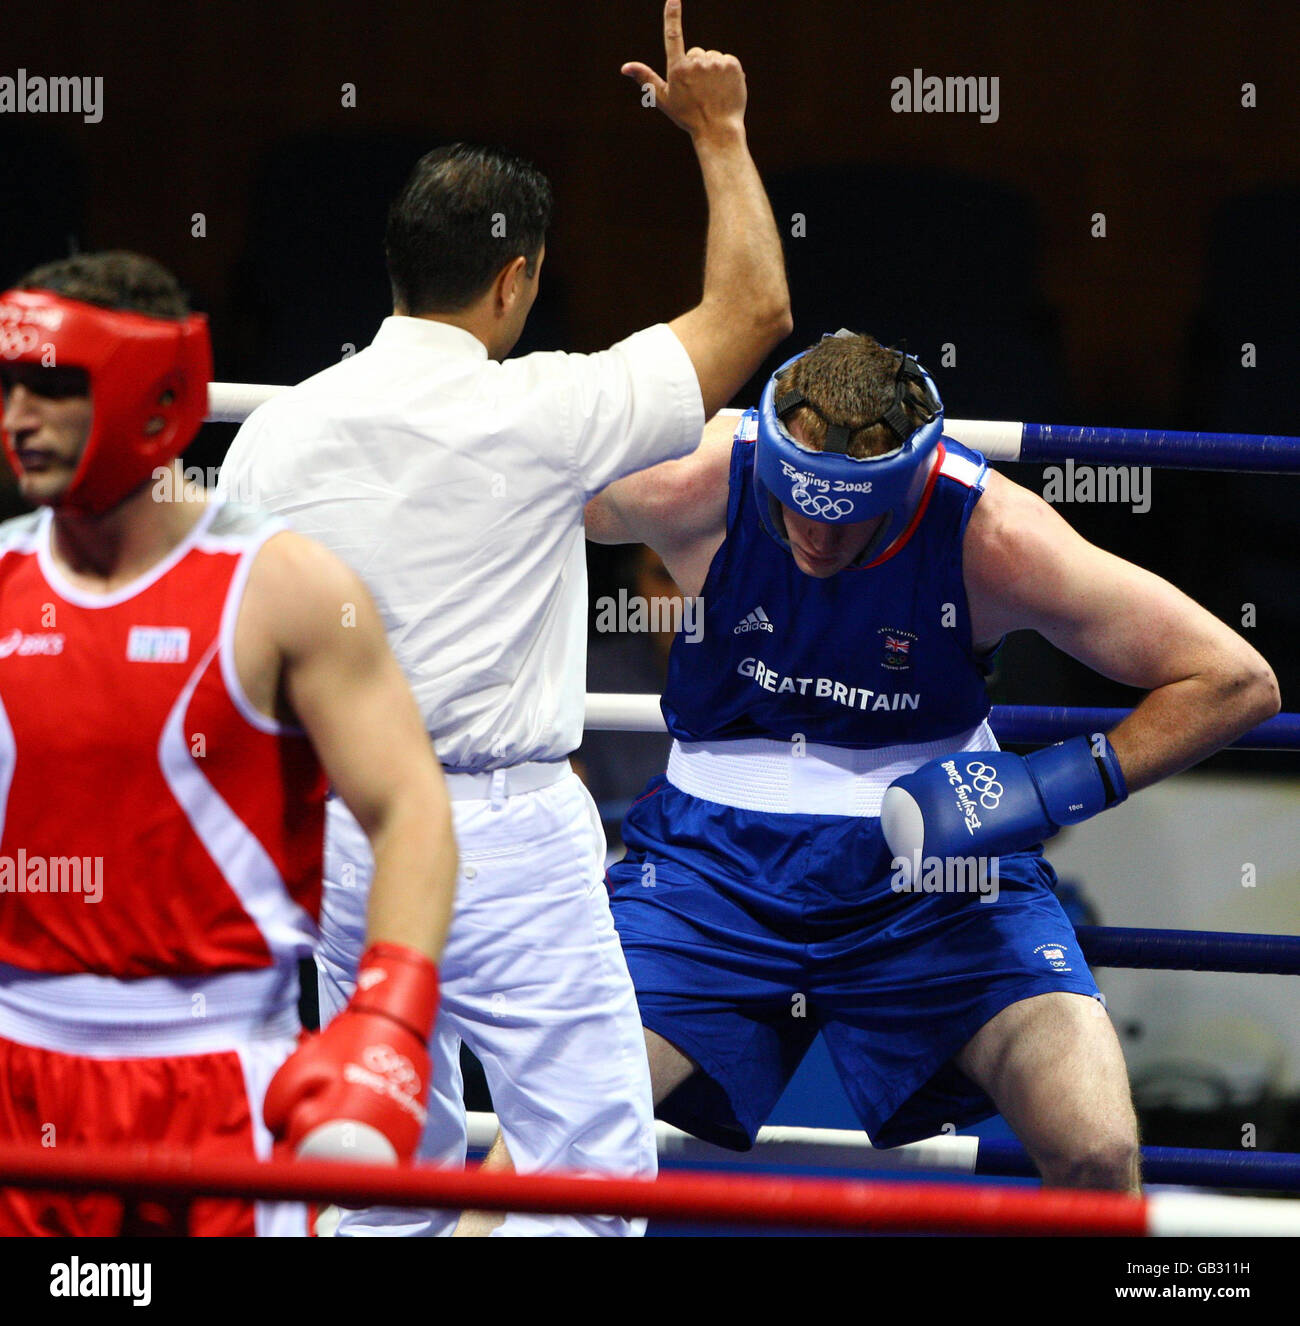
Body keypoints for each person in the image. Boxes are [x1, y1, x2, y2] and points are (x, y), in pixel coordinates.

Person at [218, 0, 791, 1236]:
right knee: (586, 1182)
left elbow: (234, 661)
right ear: (516, 275)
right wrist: (719, 134)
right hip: (505, 829)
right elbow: (752, 316)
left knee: (372, 1175)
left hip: (344, 830)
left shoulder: (274, 433)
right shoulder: (545, 409)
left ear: (396, 266)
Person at [581, 329, 1280, 1191]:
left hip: (939, 886)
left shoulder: (996, 537)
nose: (817, 539)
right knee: (566, 1123)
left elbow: (1236, 679)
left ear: (912, 483)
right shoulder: (691, 482)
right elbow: (511, 508)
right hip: (709, 871)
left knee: (1096, 1148)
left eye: (849, 515)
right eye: (800, 504)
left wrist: (1045, 788)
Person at [0, 251, 458, 1236]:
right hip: (17, 1079)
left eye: (54, 385)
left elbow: (409, 806)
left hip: (221, 1084)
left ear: (146, 393)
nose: (18, 418)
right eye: (10, 385)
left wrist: (387, 1020)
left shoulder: (283, 587)